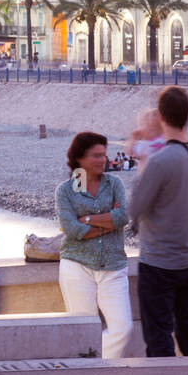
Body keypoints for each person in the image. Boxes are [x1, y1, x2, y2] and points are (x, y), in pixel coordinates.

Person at [127, 86, 188, 357]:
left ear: (161, 116)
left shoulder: (160, 161)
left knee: (159, 333)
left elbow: (136, 206)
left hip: (158, 260)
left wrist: (141, 166)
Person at [55, 132, 133, 358]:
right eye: (96, 156)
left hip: (113, 267)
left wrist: (88, 219)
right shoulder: (65, 190)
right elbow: (72, 229)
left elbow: (124, 217)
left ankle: (97, 362)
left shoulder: (114, 183)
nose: (103, 160)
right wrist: (109, 220)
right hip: (77, 266)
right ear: (79, 159)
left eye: (104, 155)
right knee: (83, 332)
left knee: (123, 329)